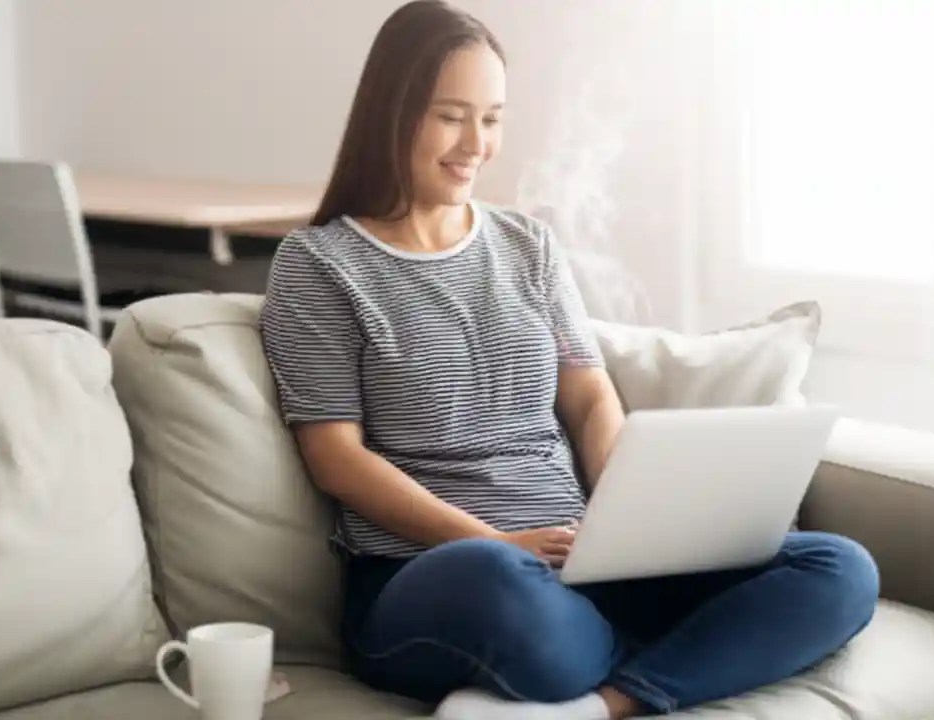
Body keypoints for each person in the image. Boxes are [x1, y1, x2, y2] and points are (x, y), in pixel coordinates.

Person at [259, 2, 880, 718]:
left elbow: (588, 398)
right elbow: (336, 457)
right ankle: (682, 652)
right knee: (501, 584)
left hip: (580, 562)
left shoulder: (529, 246)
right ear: (391, 114)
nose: (476, 143)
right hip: (438, 574)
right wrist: (500, 540)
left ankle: (605, 703)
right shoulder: (318, 266)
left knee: (838, 568)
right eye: (451, 116)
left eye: (491, 118)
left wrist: (633, 519)